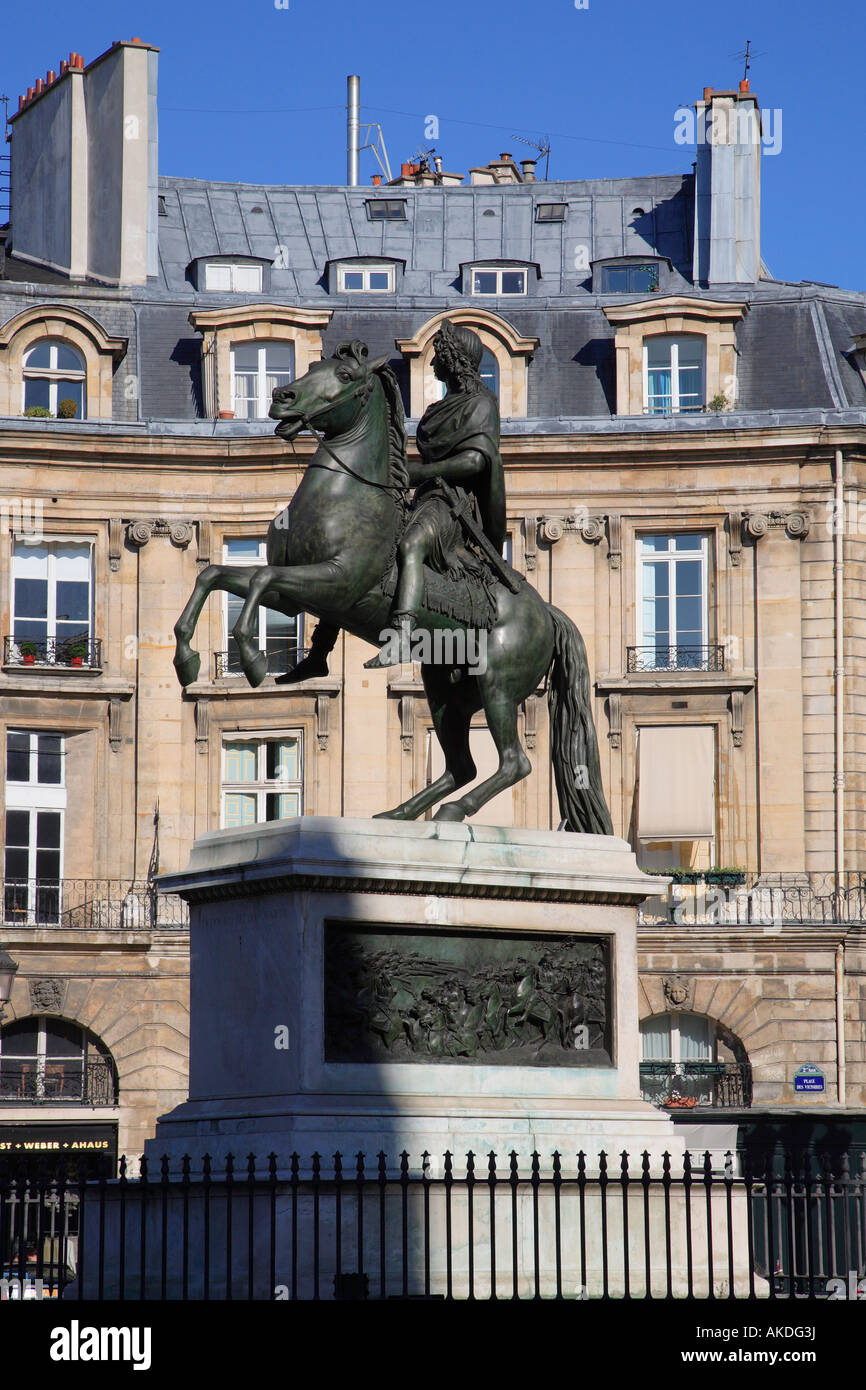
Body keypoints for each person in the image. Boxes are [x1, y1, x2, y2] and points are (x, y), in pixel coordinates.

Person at [363, 320, 505, 668]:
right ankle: (320, 649)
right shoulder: (435, 410)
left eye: (438, 355)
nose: (431, 363)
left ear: (454, 359)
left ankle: (402, 633)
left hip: (454, 504)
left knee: (411, 544)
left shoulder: (481, 405)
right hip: (425, 498)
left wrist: (419, 473)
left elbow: (475, 462)